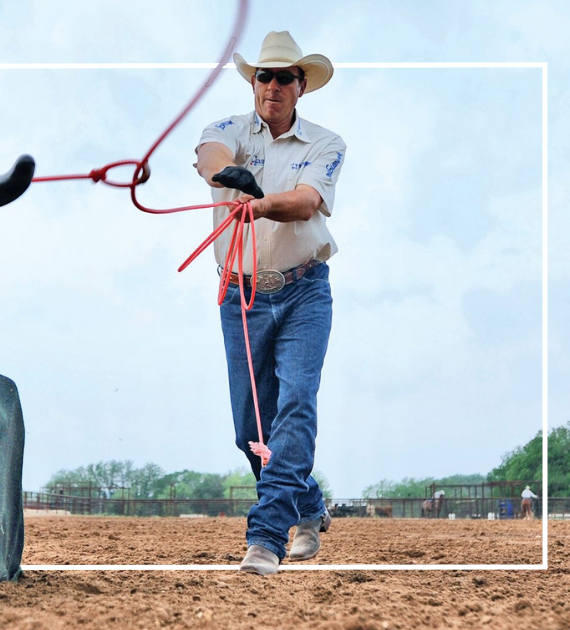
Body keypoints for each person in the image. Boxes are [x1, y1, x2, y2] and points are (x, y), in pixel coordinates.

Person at [194, 31, 346, 575]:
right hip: (241, 293)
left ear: (301, 86)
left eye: (285, 77)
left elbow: (307, 203)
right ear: (253, 82)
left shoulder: (326, 144)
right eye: (265, 75)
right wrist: (221, 175)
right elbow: (210, 155)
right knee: (249, 432)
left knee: (295, 405)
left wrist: (257, 203)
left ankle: (266, 537)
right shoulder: (227, 131)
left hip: (305, 288)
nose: (274, 86)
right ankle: (307, 506)